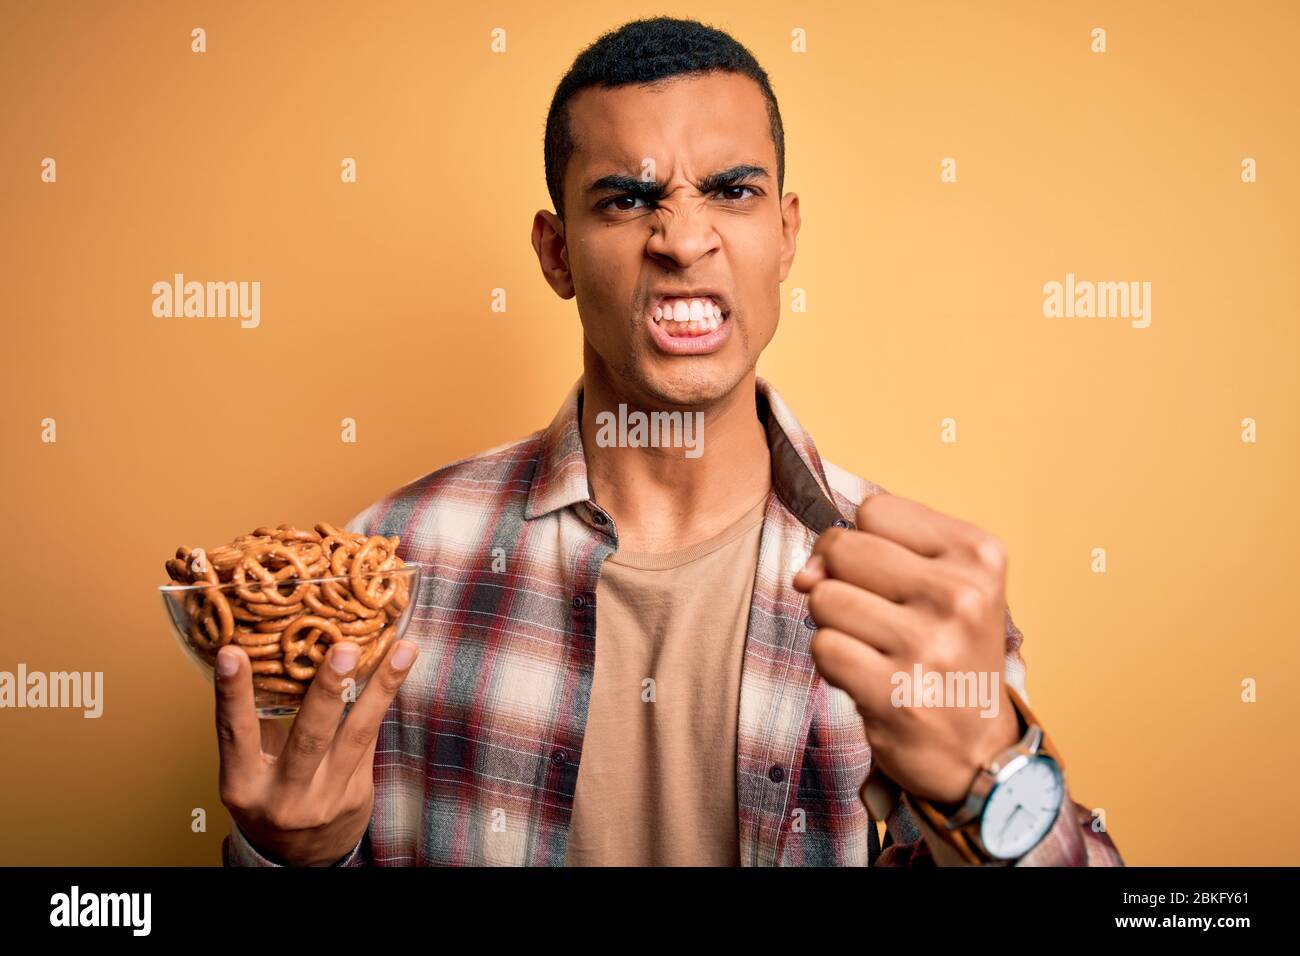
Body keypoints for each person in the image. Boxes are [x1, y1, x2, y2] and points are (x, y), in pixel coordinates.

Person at [216, 16, 1123, 867]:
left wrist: (995, 783)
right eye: (626, 200)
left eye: (732, 192)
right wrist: (297, 859)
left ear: (785, 232)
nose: (684, 241)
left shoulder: (919, 604)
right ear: (557, 253)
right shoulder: (392, 564)